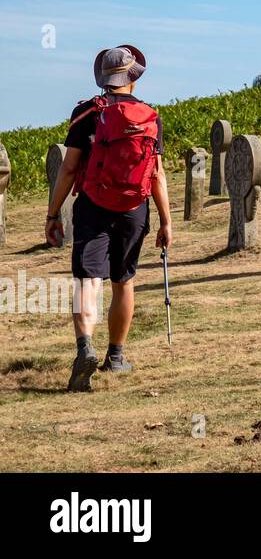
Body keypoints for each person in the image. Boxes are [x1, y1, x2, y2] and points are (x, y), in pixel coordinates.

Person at [46, 45, 172, 392]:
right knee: (123, 281)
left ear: (103, 79)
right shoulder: (150, 115)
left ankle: (85, 346)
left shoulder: (87, 113)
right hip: (134, 208)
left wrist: (53, 213)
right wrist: (166, 220)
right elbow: (157, 174)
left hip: (93, 204)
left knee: (88, 281)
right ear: (132, 78)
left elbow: (69, 168)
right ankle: (116, 356)